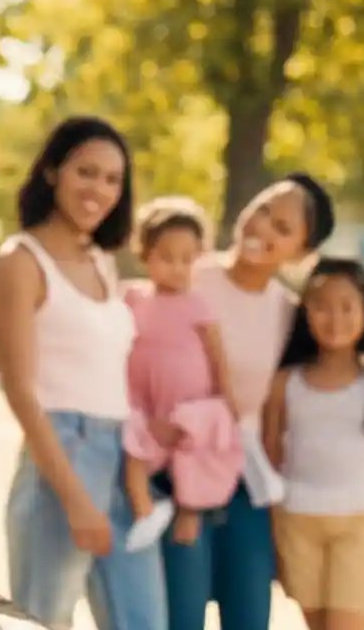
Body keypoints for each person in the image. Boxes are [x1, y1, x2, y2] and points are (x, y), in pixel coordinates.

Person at [0, 116, 167, 630]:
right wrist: (74, 497)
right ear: (51, 172)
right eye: (86, 172)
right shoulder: (19, 262)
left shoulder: (102, 259)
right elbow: (20, 391)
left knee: (143, 621)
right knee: (45, 621)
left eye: (112, 179)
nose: (99, 189)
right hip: (63, 453)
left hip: (123, 458)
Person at [159, 172, 335, 630]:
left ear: (301, 251)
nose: (262, 227)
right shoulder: (188, 275)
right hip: (175, 473)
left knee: (249, 616)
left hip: (245, 480)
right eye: (262, 210)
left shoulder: (292, 316)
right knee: (182, 615)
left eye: (283, 228)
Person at [119, 196, 243, 553]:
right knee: (135, 450)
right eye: (166, 257)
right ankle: (145, 512)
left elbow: (217, 356)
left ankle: (190, 511)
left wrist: (227, 398)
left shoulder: (198, 305)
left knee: (193, 455)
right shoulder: (134, 298)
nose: (177, 268)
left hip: (190, 405)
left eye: (187, 259)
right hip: (146, 404)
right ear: (145, 255)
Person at [263, 258, 364, 630]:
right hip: (298, 523)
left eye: (347, 307)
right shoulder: (285, 382)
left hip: (362, 523)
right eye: (322, 306)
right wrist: (275, 533)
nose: (335, 318)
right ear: (305, 312)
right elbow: (270, 458)